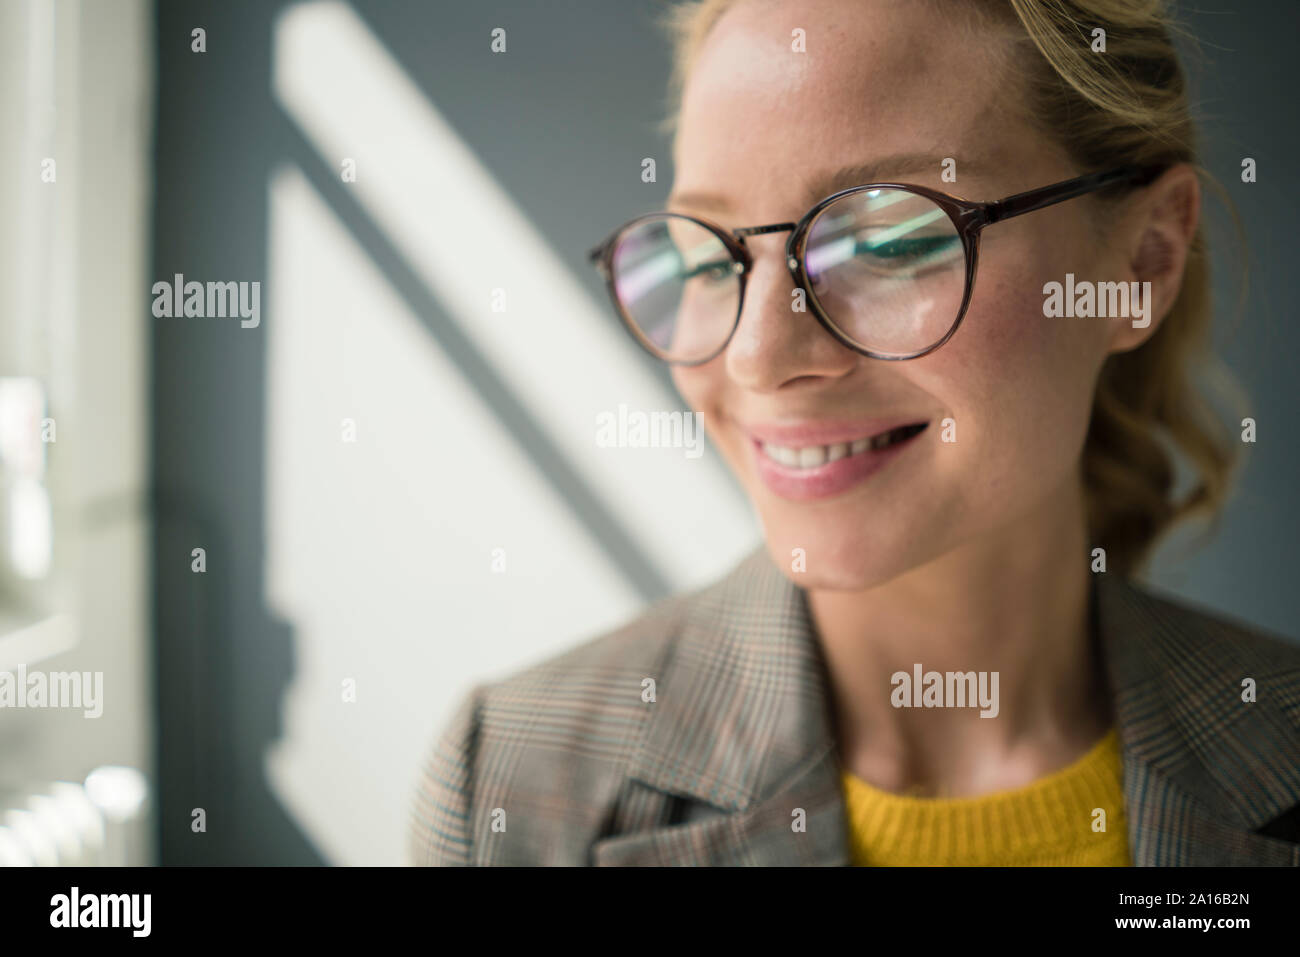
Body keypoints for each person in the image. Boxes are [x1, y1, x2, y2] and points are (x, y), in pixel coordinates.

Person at [409, 0, 1300, 866]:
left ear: (1144, 259)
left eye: (887, 242)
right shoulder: (509, 792)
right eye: (711, 254)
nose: (759, 356)